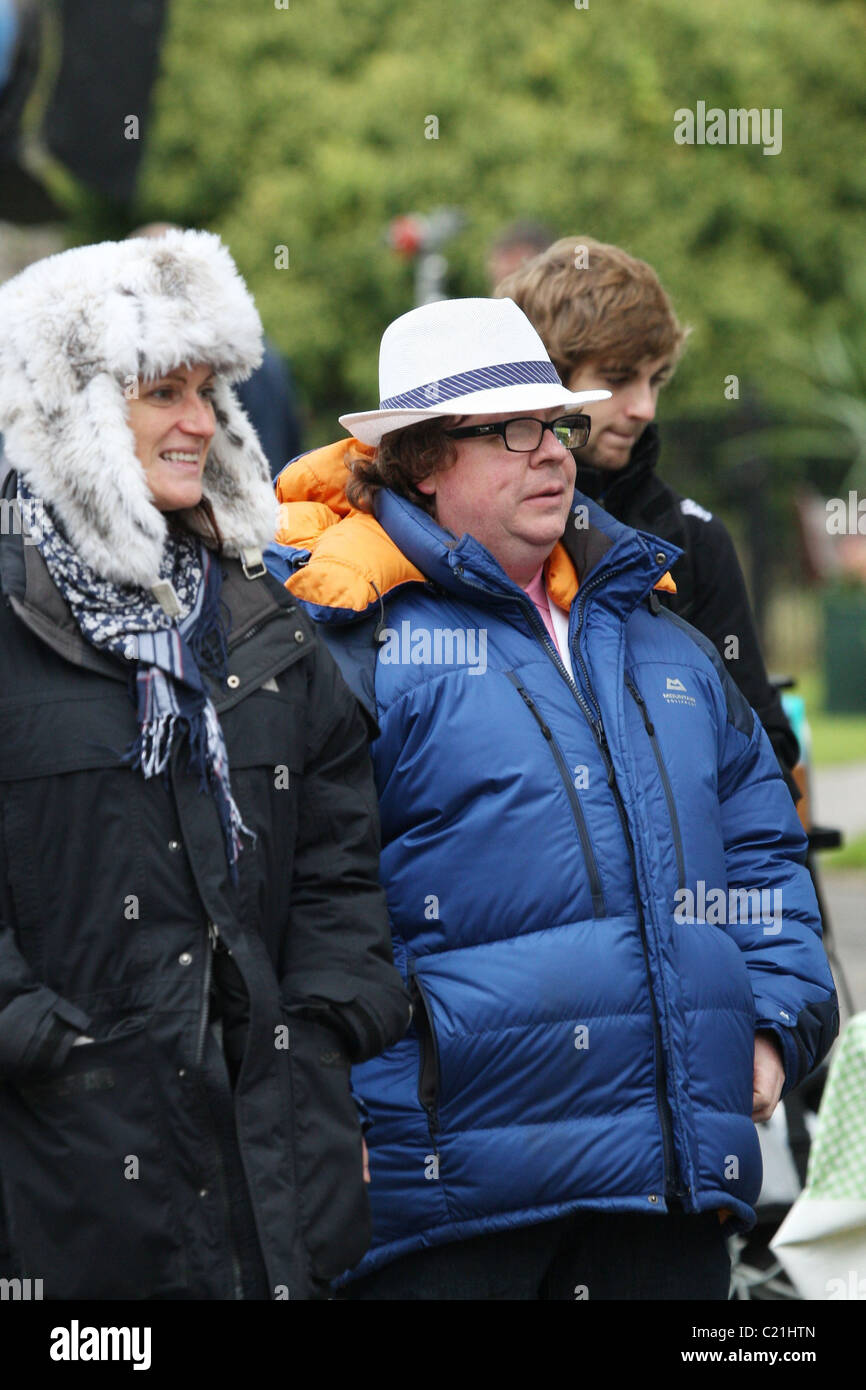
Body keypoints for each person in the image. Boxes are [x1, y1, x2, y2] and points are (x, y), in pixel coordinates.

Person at [267, 296, 838, 1300]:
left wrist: (768, 1016)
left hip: (667, 1202)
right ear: (424, 461)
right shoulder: (339, 644)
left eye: (555, 425)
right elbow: (295, 910)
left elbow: (760, 845)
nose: (552, 454)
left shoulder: (659, 636)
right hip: (451, 1216)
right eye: (510, 431)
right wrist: (328, 1115)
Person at [0, 229, 409, 1300]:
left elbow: (336, 854)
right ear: (72, 408)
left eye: (206, 391)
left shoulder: (253, 614)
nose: (198, 423)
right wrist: (44, 1041)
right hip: (67, 1184)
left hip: (271, 1165)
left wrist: (320, 1030)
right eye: (159, 392)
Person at [495, 236, 800, 792]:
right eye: (617, 377)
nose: (644, 407)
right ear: (544, 377)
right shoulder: (478, 525)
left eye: (656, 379)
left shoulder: (695, 539)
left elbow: (764, 750)